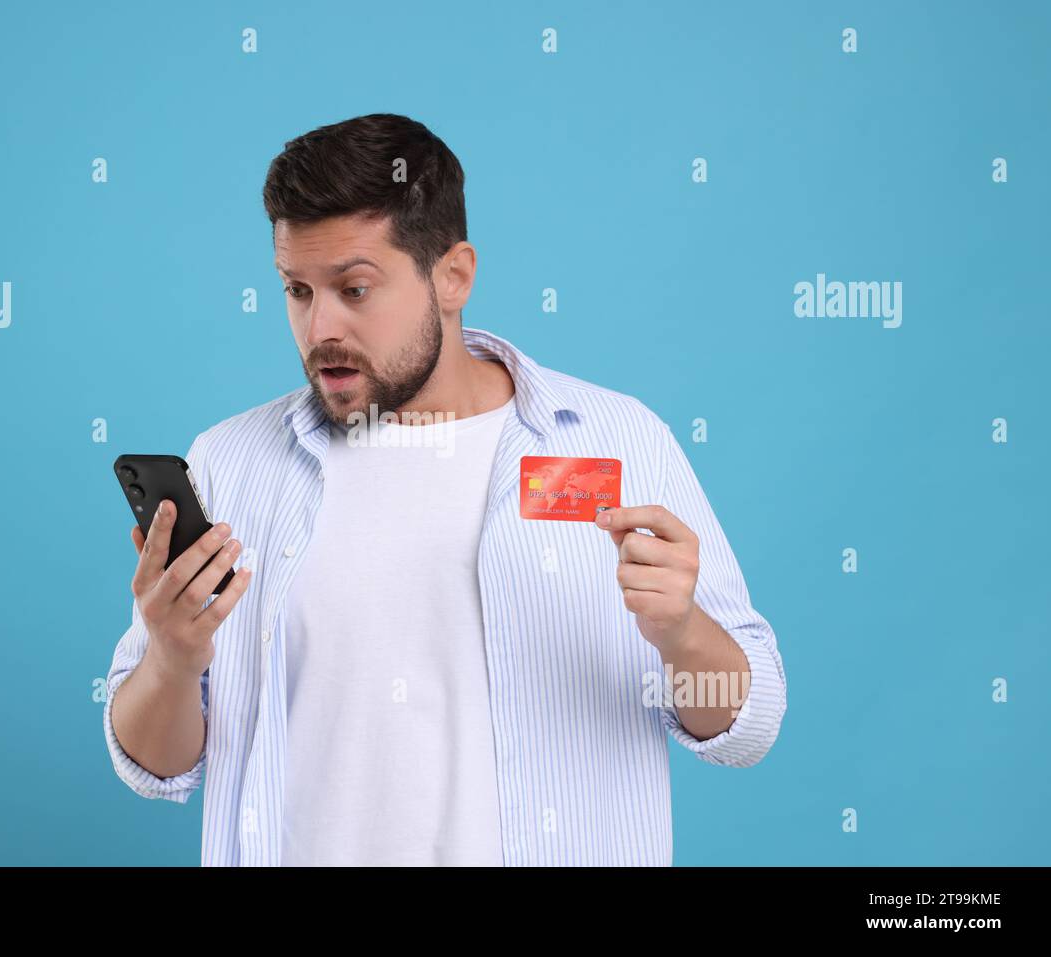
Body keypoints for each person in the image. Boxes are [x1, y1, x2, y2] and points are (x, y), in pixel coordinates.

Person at [104, 113, 787, 866]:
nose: (319, 325)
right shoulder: (233, 462)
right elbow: (154, 766)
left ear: (453, 276)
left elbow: (748, 725)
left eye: (355, 288)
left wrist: (683, 634)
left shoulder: (612, 440)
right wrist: (171, 657)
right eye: (296, 290)